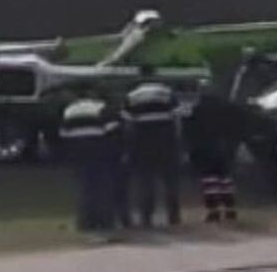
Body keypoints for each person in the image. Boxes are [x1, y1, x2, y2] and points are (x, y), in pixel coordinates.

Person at [58, 90, 123, 234]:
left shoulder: (70, 110)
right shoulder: (101, 107)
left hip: (77, 150)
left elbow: (63, 133)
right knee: (103, 187)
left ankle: (85, 222)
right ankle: (104, 222)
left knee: (84, 187)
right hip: (98, 148)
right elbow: (111, 129)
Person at [121, 83, 183, 228]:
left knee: (145, 180)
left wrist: (128, 146)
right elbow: (177, 120)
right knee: (170, 180)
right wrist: (178, 141)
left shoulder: (132, 96)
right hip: (166, 140)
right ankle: (174, 215)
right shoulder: (167, 93)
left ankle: (146, 216)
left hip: (142, 142)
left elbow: (128, 124)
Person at [185, 93, 243, 224]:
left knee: (209, 182)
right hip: (224, 150)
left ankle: (213, 211)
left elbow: (190, 132)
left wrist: (191, 151)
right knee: (225, 180)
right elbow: (234, 129)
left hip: (205, 151)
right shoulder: (227, 111)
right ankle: (230, 209)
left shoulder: (197, 112)